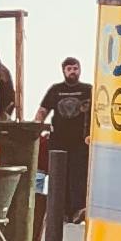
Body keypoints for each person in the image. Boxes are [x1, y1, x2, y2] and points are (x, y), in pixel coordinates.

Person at [35, 55, 94, 217]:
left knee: (78, 177)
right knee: (58, 177)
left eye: (75, 68)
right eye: (69, 69)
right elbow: (42, 111)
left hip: (81, 142)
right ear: (63, 71)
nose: (72, 71)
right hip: (58, 142)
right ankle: (60, 212)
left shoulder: (88, 90)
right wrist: (35, 129)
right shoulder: (55, 90)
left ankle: (77, 210)